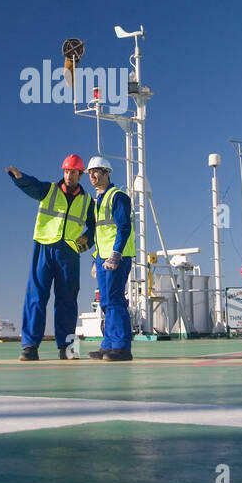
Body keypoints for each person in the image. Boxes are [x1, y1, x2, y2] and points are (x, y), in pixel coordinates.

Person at [7, 155, 94, 362]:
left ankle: (68, 348)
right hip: (44, 248)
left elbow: (94, 226)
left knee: (68, 300)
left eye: (73, 172)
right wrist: (20, 178)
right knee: (36, 297)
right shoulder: (50, 190)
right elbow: (33, 186)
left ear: (80, 175)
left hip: (69, 253)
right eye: (66, 171)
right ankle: (29, 347)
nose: (68, 175)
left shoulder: (87, 201)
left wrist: (87, 241)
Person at [85, 155, 134, 361]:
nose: (92, 175)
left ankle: (122, 347)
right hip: (102, 258)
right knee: (105, 302)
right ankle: (108, 345)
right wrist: (95, 259)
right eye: (90, 172)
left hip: (117, 258)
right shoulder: (97, 201)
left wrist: (116, 254)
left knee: (115, 301)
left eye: (96, 171)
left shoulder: (118, 196)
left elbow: (123, 227)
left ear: (107, 173)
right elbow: (99, 234)